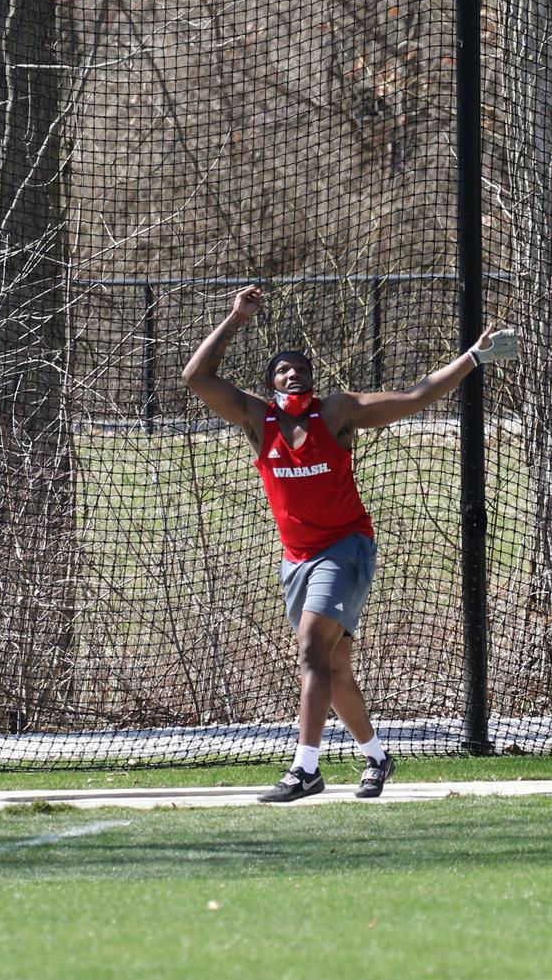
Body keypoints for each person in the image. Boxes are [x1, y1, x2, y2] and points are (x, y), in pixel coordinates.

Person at [181, 284, 517, 802]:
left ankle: (305, 769)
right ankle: (378, 757)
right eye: (282, 370)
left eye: (301, 369)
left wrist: (473, 356)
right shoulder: (257, 419)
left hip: (345, 548)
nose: (293, 374)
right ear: (270, 383)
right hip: (296, 560)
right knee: (334, 670)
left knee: (312, 650)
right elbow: (195, 377)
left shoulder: (335, 413)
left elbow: (416, 396)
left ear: (313, 381)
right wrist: (235, 319)